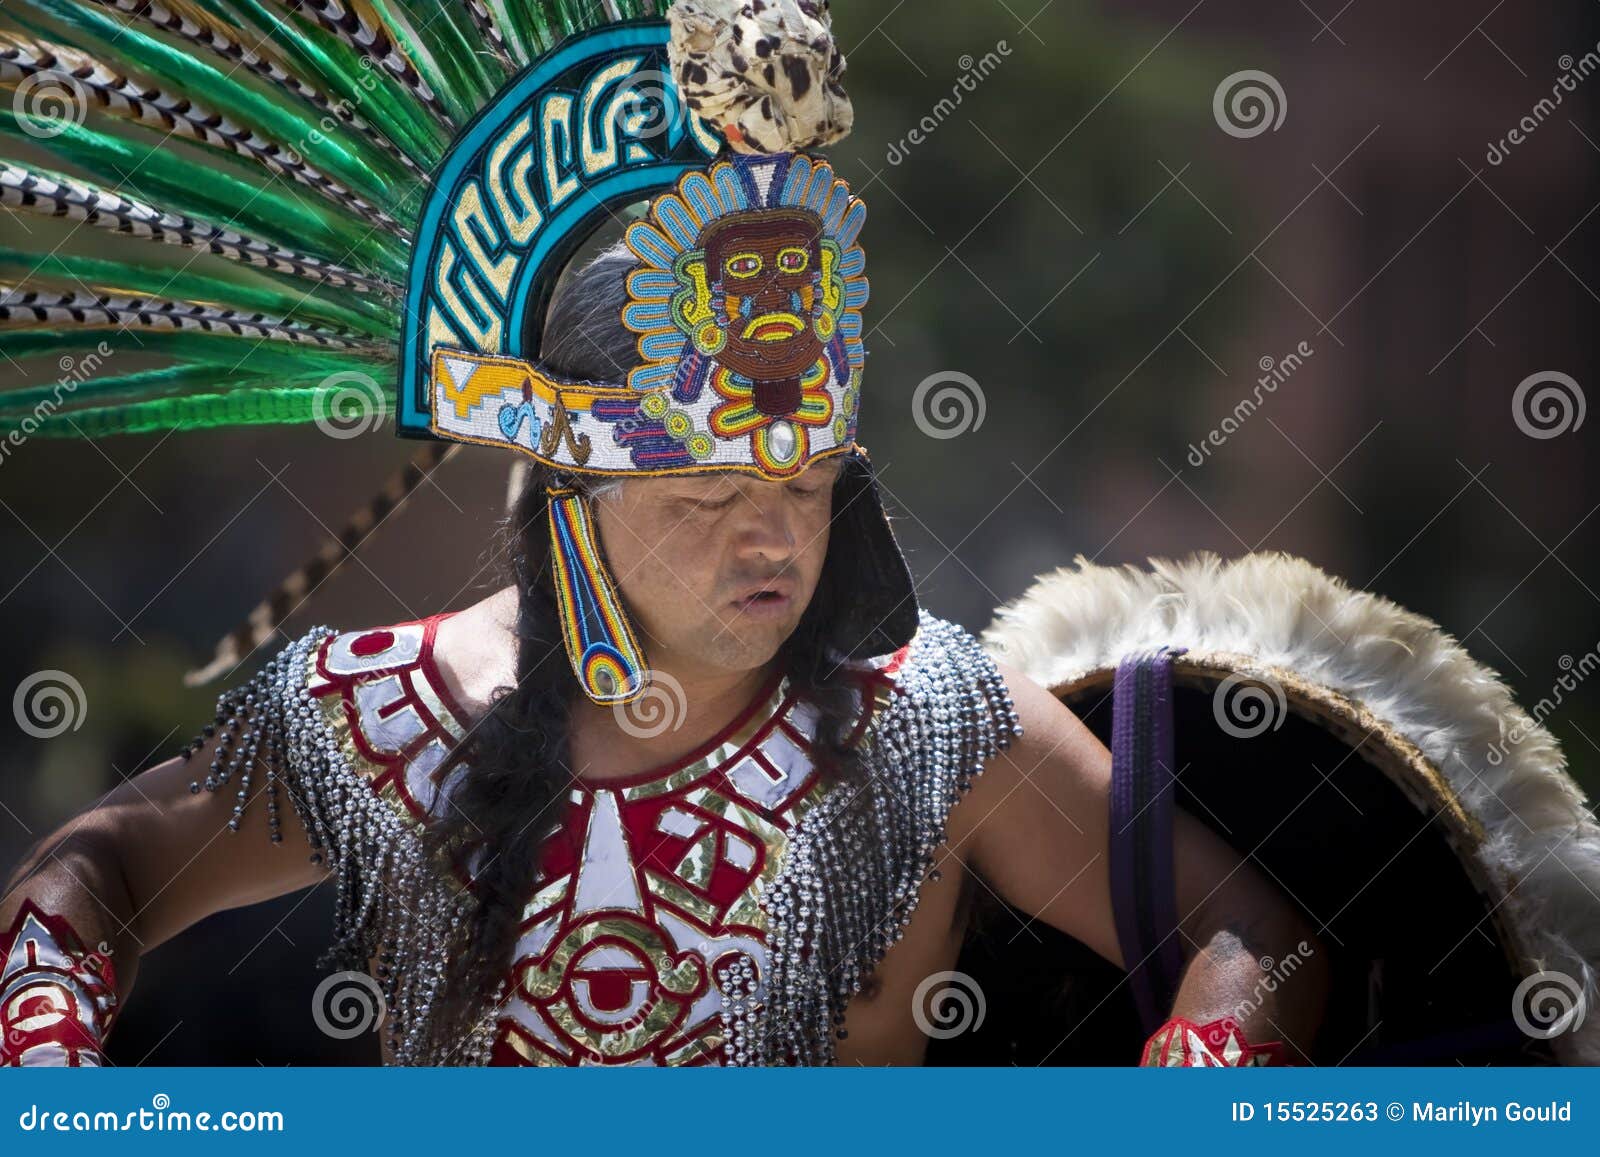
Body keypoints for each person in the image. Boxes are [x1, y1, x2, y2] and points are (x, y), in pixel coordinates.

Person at [0, 0, 1327, 1067]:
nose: (774, 541)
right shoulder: (381, 715)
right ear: (571, 493)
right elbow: (101, 863)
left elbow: (1260, 931)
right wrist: (48, 1037)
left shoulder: (931, 720)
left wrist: (1207, 1059)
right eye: (707, 498)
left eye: (807, 489)